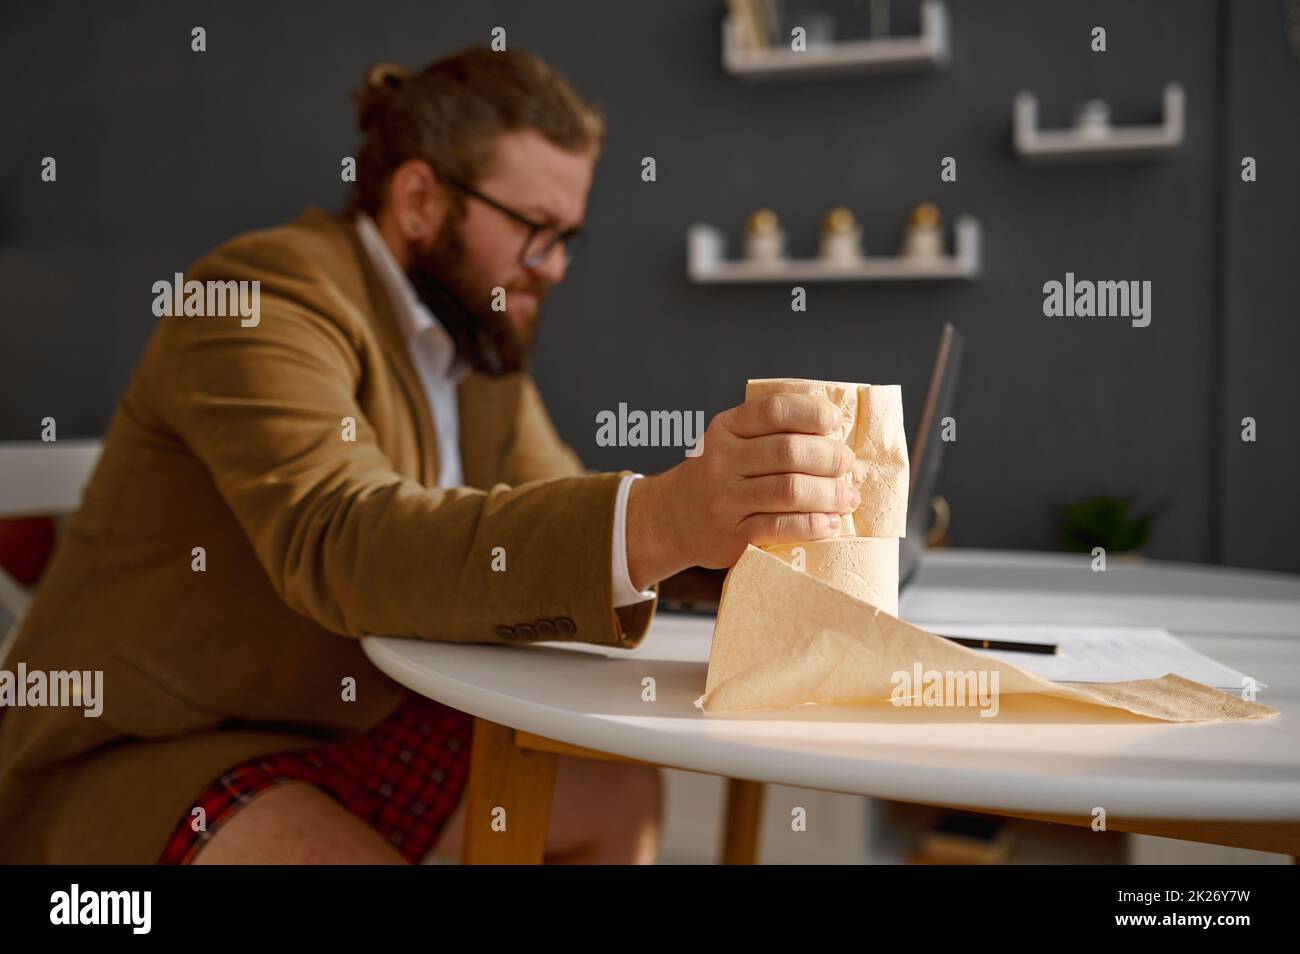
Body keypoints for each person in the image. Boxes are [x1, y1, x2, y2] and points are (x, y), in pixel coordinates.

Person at [0, 45, 858, 864]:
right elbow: (340, 536)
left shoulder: (474, 344)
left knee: (618, 796)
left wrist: (735, 541)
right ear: (419, 200)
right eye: (535, 229)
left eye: (568, 237)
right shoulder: (261, 297)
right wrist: (668, 514)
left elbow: (568, 521)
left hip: (351, 721)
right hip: (153, 747)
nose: (554, 267)